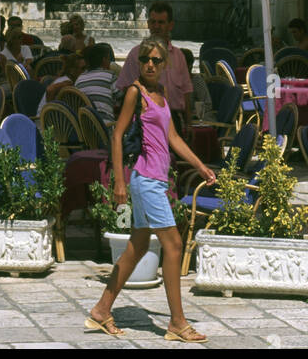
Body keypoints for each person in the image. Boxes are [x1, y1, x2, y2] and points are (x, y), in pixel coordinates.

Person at [86, 38, 216, 341]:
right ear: (138, 61)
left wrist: (199, 165)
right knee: (173, 246)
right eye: (145, 59)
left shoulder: (161, 93)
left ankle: (102, 310)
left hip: (154, 179)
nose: (150, 64)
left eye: (156, 60)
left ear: (164, 64)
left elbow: (172, 136)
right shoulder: (136, 92)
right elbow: (116, 135)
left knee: (138, 247)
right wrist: (119, 180)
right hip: (145, 180)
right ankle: (177, 323)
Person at [116, 1, 192, 133]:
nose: (156, 26)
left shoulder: (179, 56)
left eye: (161, 22)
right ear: (148, 24)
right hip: (146, 121)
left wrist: (189, 124)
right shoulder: (136, 54)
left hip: (174, 120)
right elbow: (124, 88)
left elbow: (186, 92)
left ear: (170, 25)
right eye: (153, 22)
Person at [75, 44, 117, 122]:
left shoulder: (79, 79)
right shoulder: (110, 76)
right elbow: (121, 99)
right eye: (108, 59)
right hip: (105, 127)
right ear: (104, 60)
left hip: (84, 128)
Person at [182, 49, 212, 121]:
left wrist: (191, 113)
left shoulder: (196, 81)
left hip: (194, 120)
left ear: (189, 66)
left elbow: (207, 104)